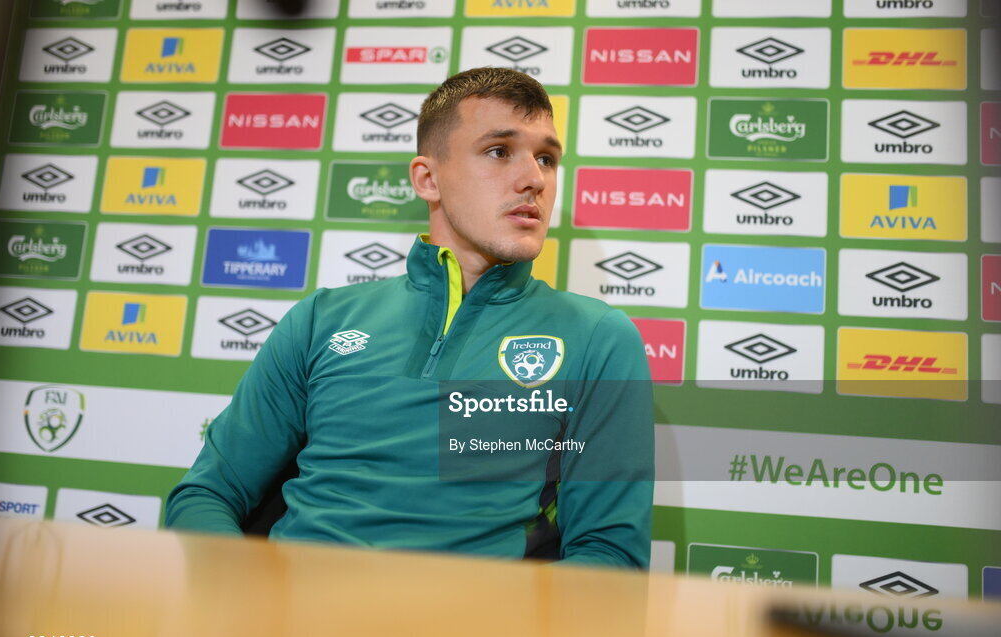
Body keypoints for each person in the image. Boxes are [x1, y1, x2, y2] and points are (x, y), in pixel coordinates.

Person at [164, 68, 655, 568]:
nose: (534, 179)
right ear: (428, 178)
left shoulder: (598, 339)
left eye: (546, 159)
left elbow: (609, 557)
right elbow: (206, 495)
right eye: (499, 151)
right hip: (288, 625)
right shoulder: (321, 320)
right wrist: (250, 597)